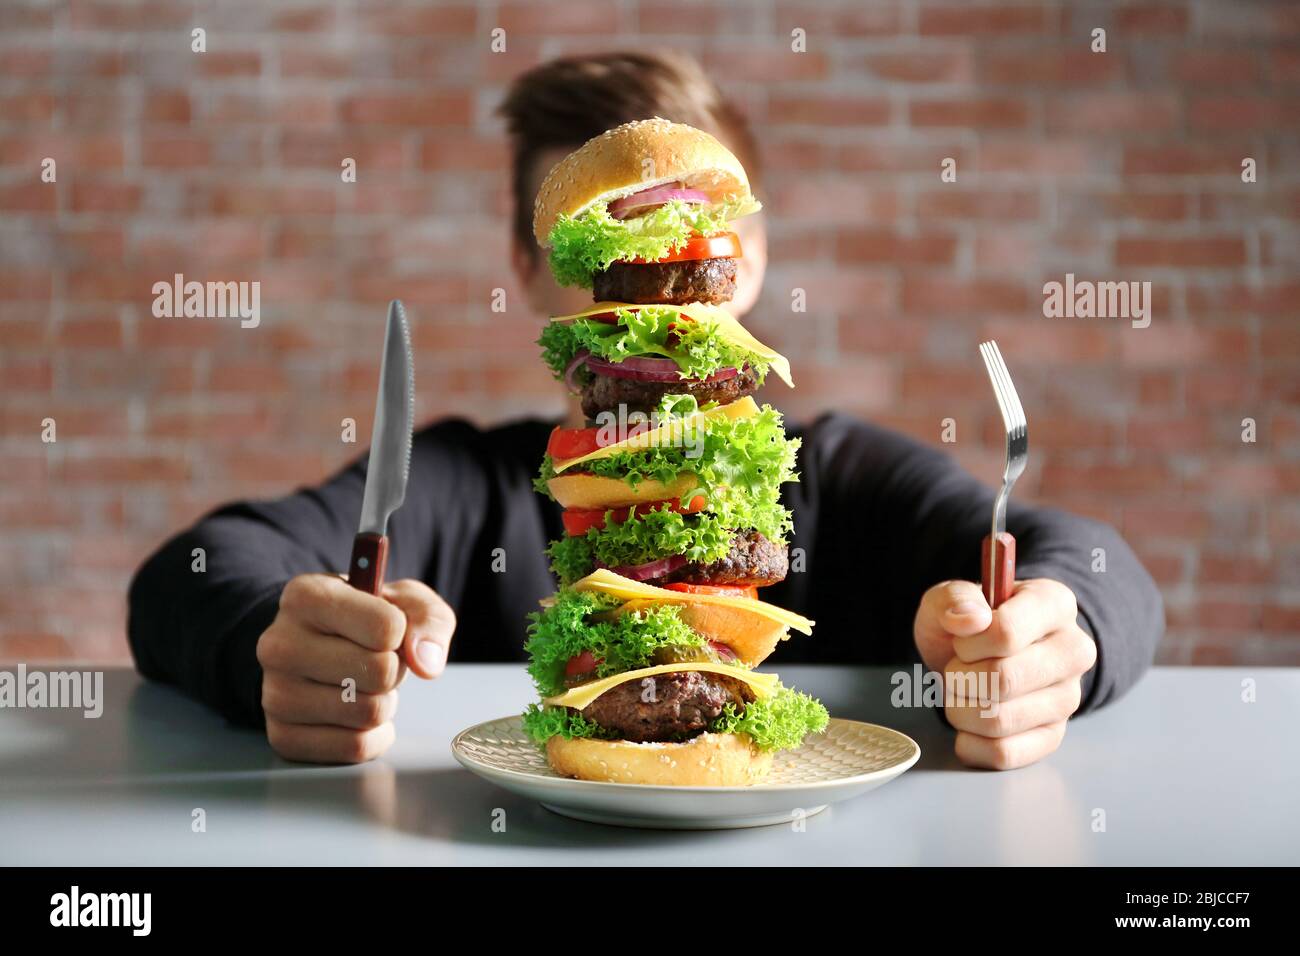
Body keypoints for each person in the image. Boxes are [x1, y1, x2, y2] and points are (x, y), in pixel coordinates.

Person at [128, 52, 1163, 770]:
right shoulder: (462, 484)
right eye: (604, 246)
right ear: (531, 273)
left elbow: (1079, 554)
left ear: (744, 263)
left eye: (681, 239)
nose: (648, 283)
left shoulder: (834, 474)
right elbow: (196, 565)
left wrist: (1051, 639)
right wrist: (276, 640)